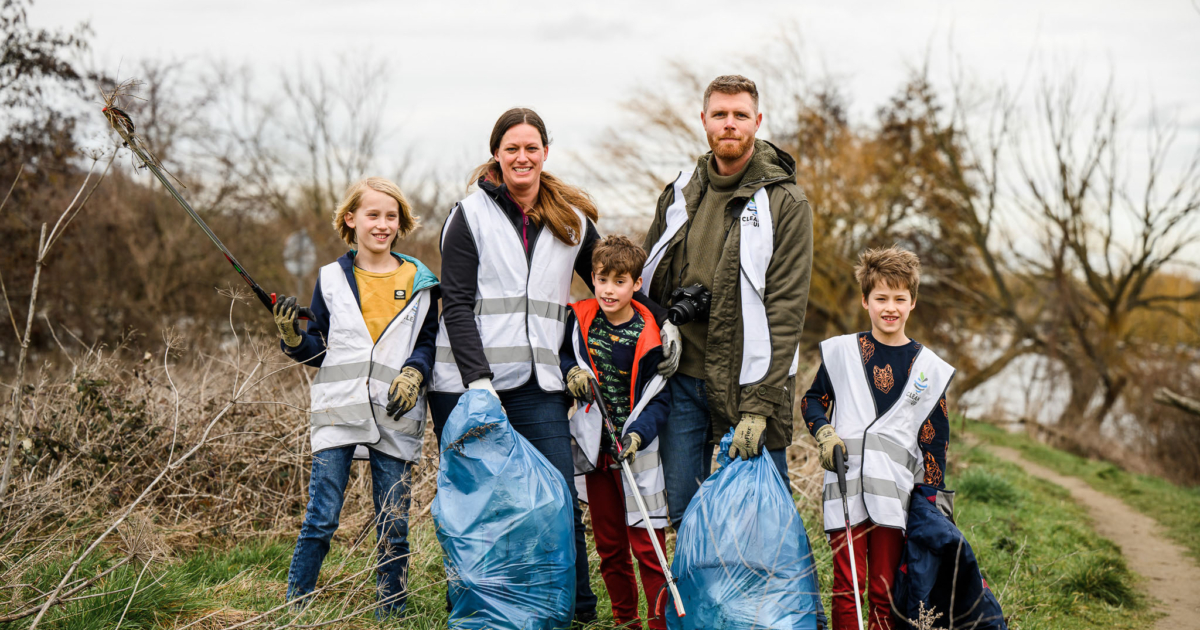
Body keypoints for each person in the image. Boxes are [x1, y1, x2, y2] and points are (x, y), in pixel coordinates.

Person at [429, 107, 666, 622]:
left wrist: (663, 322)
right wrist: (478, 383)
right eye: (511, 148)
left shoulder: (572, 222)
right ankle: (475, 604)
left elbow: (617, 279)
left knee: (558, 496)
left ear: (545, 153)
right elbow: (458, 304)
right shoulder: (468, 215)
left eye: (531, 147)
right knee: (482, 504)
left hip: (542, 383)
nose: (521, 156)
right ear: (496, 153)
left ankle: (574, 606)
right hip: (471, 386)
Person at [640, 74, 813, 527]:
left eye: (740, 115)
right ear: (703, 121)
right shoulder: (680, 193)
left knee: (764, 520)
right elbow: (649, 278)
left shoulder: (785, 203)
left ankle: (769, 599)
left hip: (749, 382)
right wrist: (664, 325)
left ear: (757, 121)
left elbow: (787, 310)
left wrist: (759, 405)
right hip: (682, 380)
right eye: (720, 114)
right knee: (684, 514)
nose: (729, 124)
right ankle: (699, 600)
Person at [272, 177, 441, 617]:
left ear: (400, 223)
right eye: (373, 215)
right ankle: (296, 604)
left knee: (394, 522)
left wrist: (414, 373)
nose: (382, 224)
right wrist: (292, 338)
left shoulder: (420, 281)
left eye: (391, 216)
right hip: (338, 410)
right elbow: (318, 349)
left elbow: (428, 342)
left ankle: (392, 610)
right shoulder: (330, 278)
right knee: (322, 516)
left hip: (396, 411)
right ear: (351, 219)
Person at [801, 246, 954, 630]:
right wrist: (824, 433)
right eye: (881, 298)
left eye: (900, 298)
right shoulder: (841, 353)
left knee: (884, 592)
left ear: (912, 303)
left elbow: (936, 444)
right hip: (845, 486)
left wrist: (930, 502)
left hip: (896, 500)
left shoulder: (929, 370)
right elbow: (812, 401)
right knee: (847, 587)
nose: (890, 307)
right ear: (865, 300)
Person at [561, 235, 671, 630]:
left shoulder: (652, 334)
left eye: (619, 281)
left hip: (637, 453)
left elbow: (660, 399)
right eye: (602, 279)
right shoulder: (578, 319)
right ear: (592, 278)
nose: (609, 289)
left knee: (648, 545)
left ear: (636, 284)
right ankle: (628, 621)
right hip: (597, 452)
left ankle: (660, 622)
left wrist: (638, 435)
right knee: (610, 546)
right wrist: (570, 372)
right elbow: (560, 355)